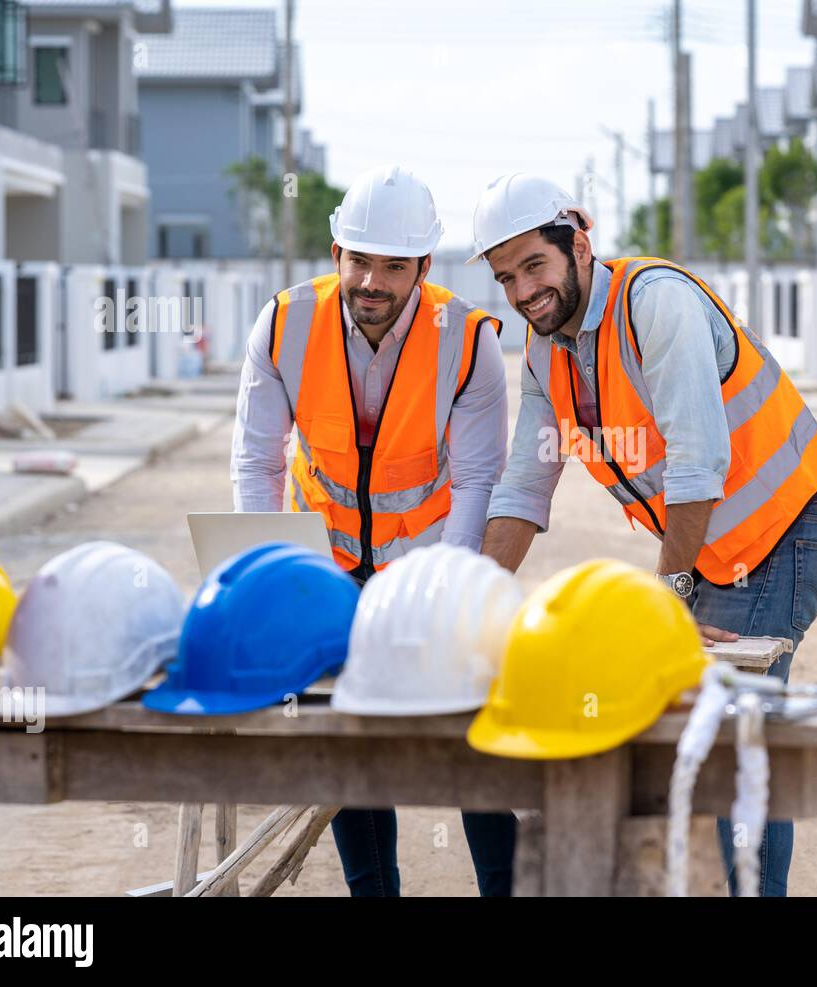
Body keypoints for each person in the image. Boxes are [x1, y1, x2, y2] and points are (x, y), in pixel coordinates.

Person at [471, 172, 817, 897]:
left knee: (733, 750)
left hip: (781, 539)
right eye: (506, 277)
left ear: (578, 244)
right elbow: (523, 484)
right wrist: (473, 594)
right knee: (697, 749)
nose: (521, 292)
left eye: (534, 266)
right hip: (710, 552)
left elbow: (697, 461)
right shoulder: (546, 349)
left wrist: (669, 597)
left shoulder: (655, 303)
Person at [230, 164, 516, 896]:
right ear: (336, 257)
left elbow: (479, 480)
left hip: (425, 567)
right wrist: (273, 577)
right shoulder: (285, 322)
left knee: (467, 734)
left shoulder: (471, 340)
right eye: (360, 260)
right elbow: (257, 461)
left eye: (395, 265)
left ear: (424, 266)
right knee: (351, 741)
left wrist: (446, 597)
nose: (374, 282)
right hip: (323, 570)